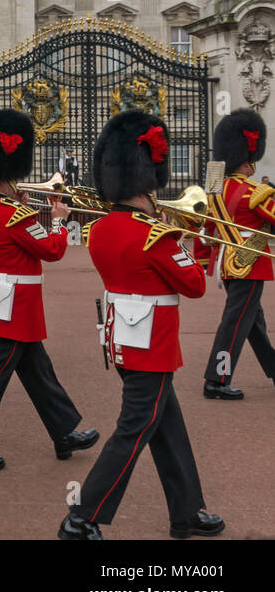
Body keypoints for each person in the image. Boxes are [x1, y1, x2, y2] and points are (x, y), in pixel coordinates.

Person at [59, 111, 223, 540]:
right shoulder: (155, 235)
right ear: (147, 179)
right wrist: (186, 237)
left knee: (168, 427)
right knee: (134, 429)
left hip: (124, 339)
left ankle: (186, 511)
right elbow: (194, 286)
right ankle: (83, 516)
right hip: (152, 344)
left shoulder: (104, 229)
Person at [0, 109, 98, 470]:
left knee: (39, 372)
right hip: (19, 305)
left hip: (4, 301)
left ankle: (63, 434)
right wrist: (60, 221)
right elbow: (53, 250)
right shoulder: (14, 215)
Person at [192, 108, 275, 399]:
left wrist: (204, 261)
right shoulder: (256, 193)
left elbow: (205, 229)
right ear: (249, 158)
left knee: (253, 322)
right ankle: (216, 380)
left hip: (226, 266)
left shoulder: (215, 190)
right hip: (250, 265)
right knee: (236, 322)